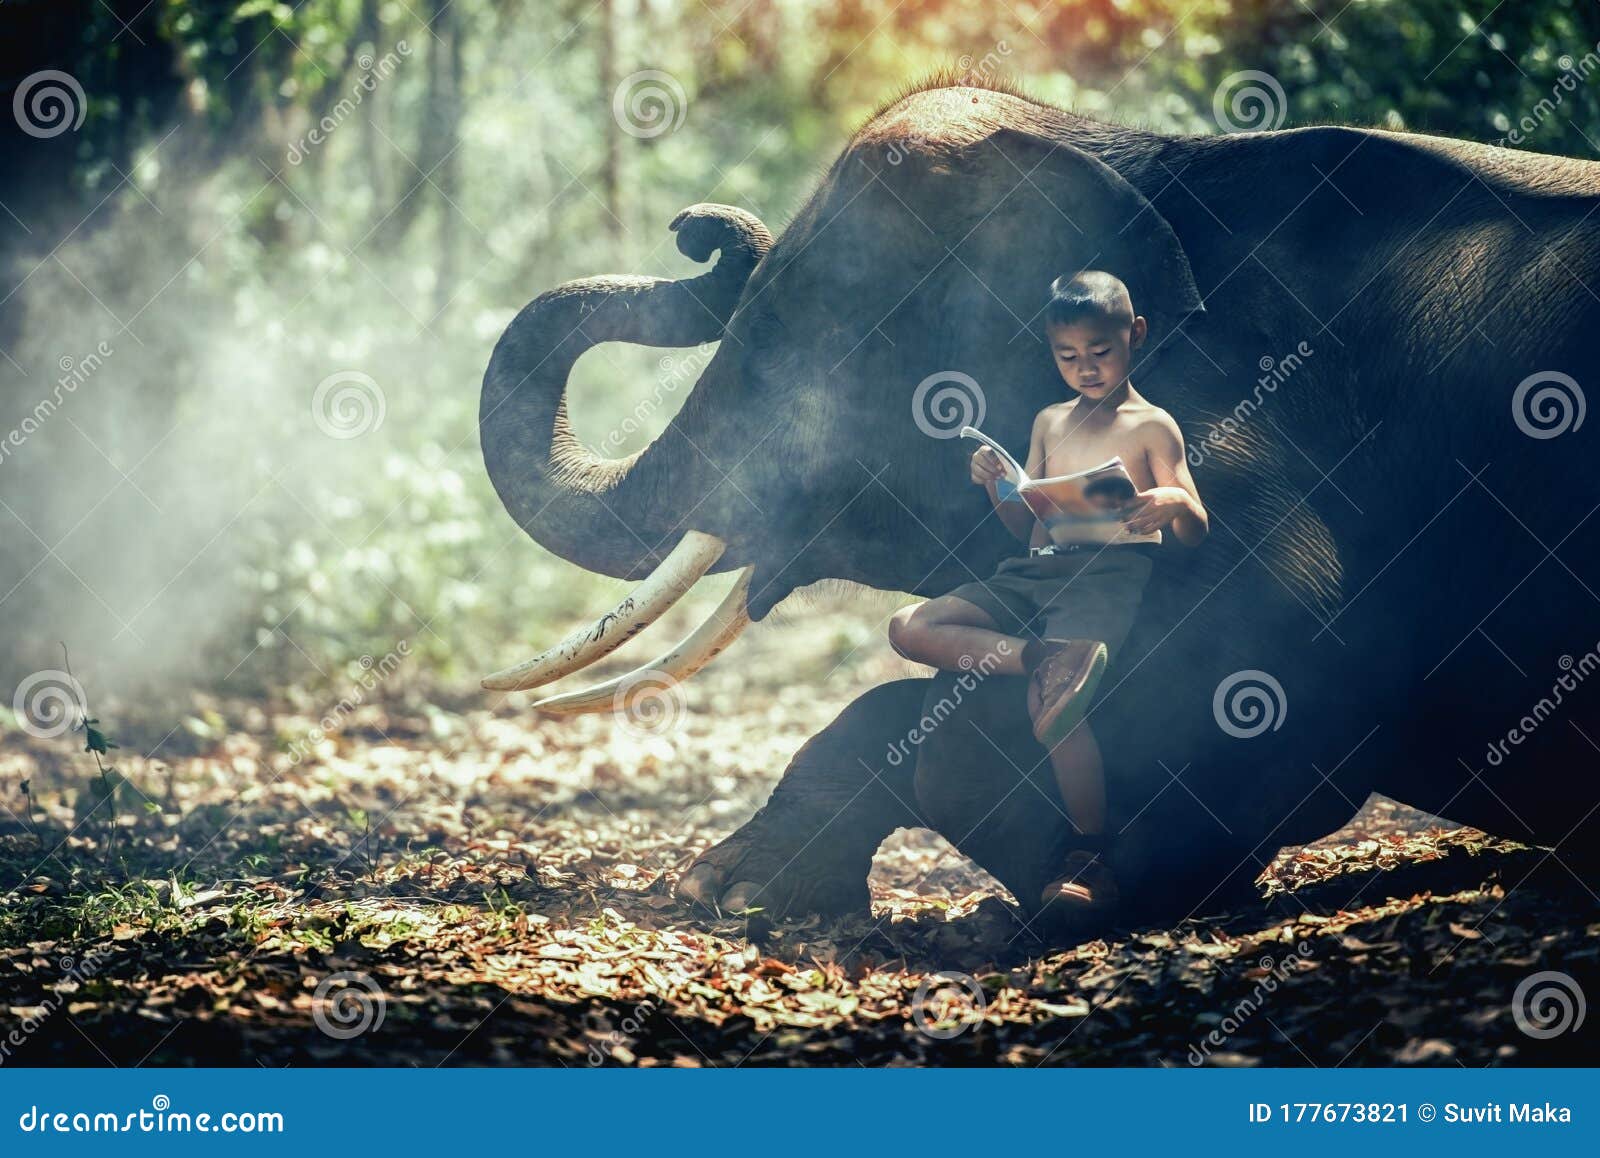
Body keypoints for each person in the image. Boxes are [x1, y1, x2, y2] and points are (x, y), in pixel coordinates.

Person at [887, 270, 1208, 918]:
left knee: (1055, 715)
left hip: (1106, 577)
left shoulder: (1152, 426)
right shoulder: (1047, 421)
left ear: (1134, 335)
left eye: (1101, 351)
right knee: (908, 625)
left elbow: (1197, 527)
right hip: (1033, 573)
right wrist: (997, 487)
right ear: (1051, 351)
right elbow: (1029, 525)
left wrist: (1169, 500)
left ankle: (1088, 856)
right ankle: (1040, 658)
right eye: (1068, 356)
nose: (1086, 368)